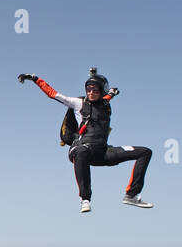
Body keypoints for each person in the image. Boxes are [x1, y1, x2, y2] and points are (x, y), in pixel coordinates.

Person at [19, 68, 154, 213]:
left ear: (102, 91)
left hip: (102, 152)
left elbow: (109, 95)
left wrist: (111, 90)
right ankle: (85, 199)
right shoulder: (78, 103)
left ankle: (131, 195)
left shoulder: (105, 102)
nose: (91, 92)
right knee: (81, 151)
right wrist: (35, 78)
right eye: (88, 89)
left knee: (145, 152)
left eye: (95, 90)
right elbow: (53, 94)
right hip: (83, 149)